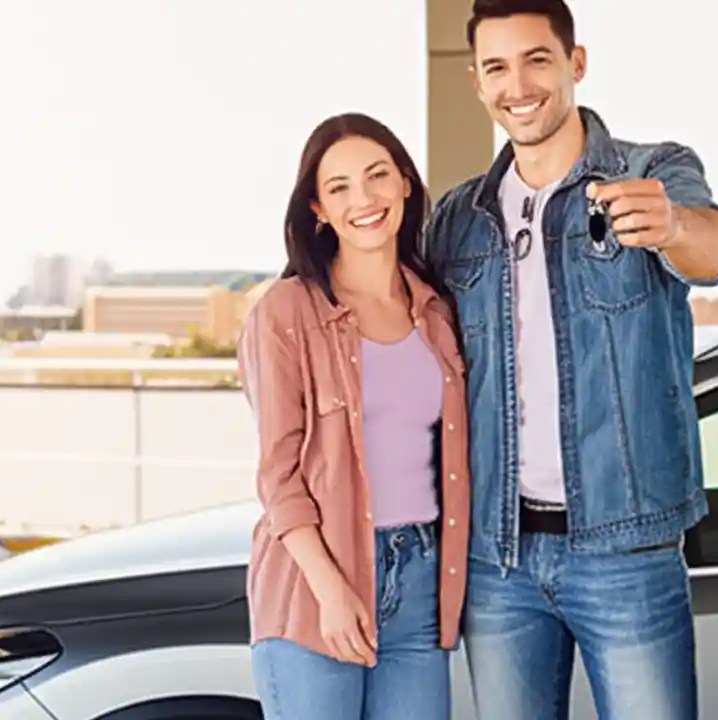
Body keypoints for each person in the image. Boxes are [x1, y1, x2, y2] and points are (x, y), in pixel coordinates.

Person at [421, 1, 718, 718]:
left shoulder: (651, 170)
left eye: (537, 59)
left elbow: (717, 250)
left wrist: (672, 225)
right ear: (476, 81)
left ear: (575, 63)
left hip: (626, 549)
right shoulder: (455, 219)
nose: (519, 85)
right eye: (497, 67)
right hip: (495, 558)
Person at [237, 112, 471, 720]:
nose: (363, 199)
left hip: (418, 585)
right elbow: (278, 476)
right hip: (316, 586)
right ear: (317, 208)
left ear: (405, 186)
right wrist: (331, 592)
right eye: (339, 187)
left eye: (376, 177)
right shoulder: (284, 313)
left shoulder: (437, 312)